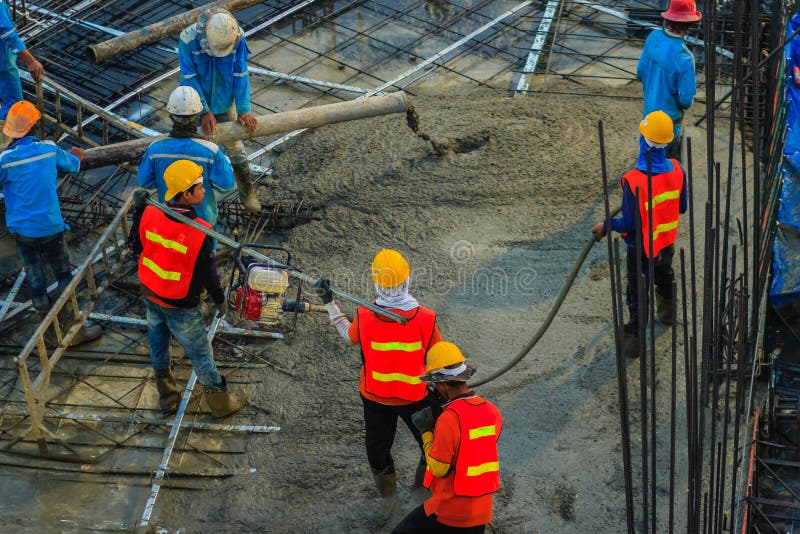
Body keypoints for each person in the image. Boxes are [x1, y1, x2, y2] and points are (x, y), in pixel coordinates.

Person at [314, 249, 443, 510]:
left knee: (377, 448)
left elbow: (346, 334)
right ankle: (422, 491)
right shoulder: (426, 319)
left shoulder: (364, 315)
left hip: (375, 398)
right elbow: (438, 360)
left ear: (377, 282)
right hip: (415, 399)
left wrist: (329, 302)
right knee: (432, 445)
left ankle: (389, 500)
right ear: (407, 281)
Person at [127, 159, 247, 417]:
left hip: (150, 292)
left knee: (158, 346)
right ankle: (221, 404)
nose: (203, 191)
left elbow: (135, 246)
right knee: (201, 354)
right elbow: (209, 273)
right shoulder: (201, 231)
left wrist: (138, 211)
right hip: (180, 303)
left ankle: (168, 397)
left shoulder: (151, 212)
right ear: (186, 195)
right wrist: (219, 300)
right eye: (200, 187)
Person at [0, 100, 101, 344]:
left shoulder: (5, 160)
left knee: (34, 275)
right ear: (34, 125)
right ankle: (72, 324)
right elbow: (72, 164)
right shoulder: (48, 148)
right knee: (63, 272)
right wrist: (77, 155)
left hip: (23, 230)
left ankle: (47, 329)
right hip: (50, 227)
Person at [592, 110, 687, 358]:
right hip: (665, 243)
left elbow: (629, 224)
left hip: (640, 248)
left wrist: (606, 225)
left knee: (637, 294)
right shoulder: (678, 169)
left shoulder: (633, 180)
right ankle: (667, 314)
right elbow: (682, 206)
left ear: (643, 140)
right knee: (665, 276)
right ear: (667, 143)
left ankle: (634, 342)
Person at [394, 341, 502, 533]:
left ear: (441, 384)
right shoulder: (493, 412)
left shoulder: (450, 419)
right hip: (482, 512)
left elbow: (439, 468)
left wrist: (426, 431)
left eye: (435, 385)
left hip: (450, 511)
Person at [178, 7, 261, 213]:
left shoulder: (237, 37)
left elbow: (240, 73)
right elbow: (189, 78)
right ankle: (197, 198)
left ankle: (247, 192)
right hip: (193, 104)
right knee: (195, 149)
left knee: (234, 145)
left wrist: (243, 110)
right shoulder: (188, 40)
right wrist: (204, 111)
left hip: (225, 102)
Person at [138, 86, 234, 230]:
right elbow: (226, 185)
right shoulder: (209, 151)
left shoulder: (155, 149)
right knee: (202, 251)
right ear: (197, 117)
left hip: (169, 219)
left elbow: (145, 182)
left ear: (171, 116)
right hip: (202, 224)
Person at [636, 0, 702, 159]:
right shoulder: (685, 57)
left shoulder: (653, 36)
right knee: (669, 169)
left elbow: (640, 72)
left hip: (648, 118)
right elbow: (686, 101)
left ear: (669, 17)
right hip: (670, 126)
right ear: (690, 24)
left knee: (647, 162)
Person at [0, 1, 44, 145]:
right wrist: (31, 61)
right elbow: (8, 35)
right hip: (3, 61)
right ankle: (5, 139)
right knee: (13, 104)